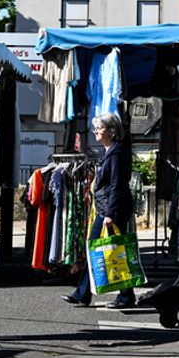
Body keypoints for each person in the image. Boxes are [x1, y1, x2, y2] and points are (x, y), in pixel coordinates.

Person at [62, 112, 138, 309]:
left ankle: (126, 296)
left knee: (115, 250)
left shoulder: (116, 154)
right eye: (95, 127)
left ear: (111, 131)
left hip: (113, 210)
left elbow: (117, 185)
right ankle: (83, 293)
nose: (95, 130)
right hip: (106, 208)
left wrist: (110, 214)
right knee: (96, 249)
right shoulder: (110, 151)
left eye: (99, 127)